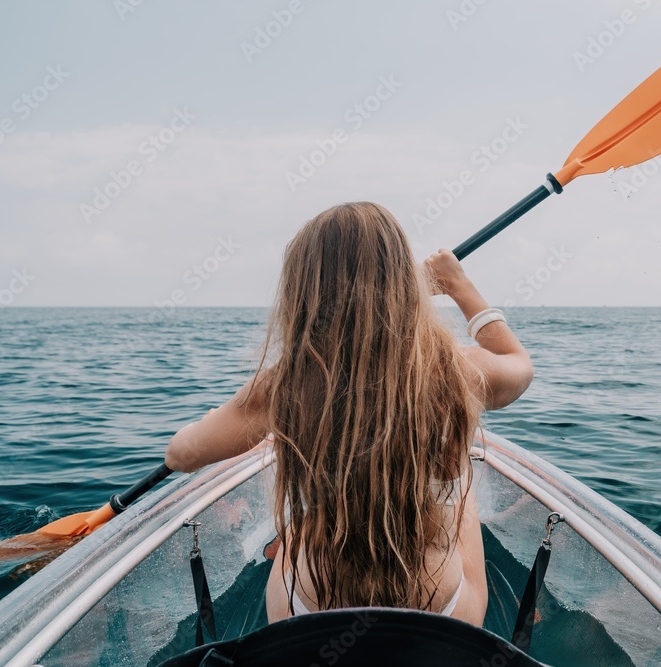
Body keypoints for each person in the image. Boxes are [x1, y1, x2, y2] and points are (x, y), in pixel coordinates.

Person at [164, 202, 532, 626]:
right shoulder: (457, 371)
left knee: (298, 527)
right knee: (459, 492)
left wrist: (223, 415)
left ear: (303, 293)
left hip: (310, 607)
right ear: (405, 285)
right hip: (441, 608)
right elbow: (519, 366)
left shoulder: (282, 386)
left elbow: (181, 455)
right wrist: (459, 285)